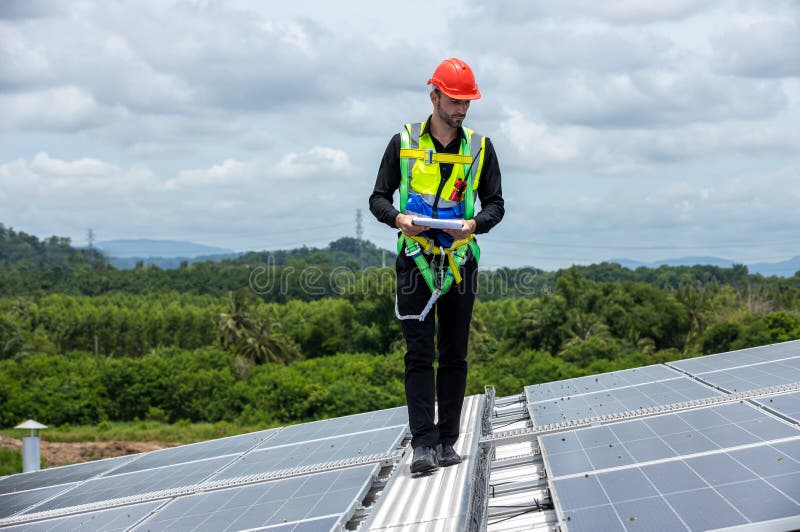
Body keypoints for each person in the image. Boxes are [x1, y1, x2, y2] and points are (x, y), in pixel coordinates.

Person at [369, 58, 504, 474]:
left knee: (454, 354)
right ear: (434, 97)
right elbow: (377, 198)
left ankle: (448, 441)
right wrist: (398, 218)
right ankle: (423, 445)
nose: (461, 109)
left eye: (467, 102)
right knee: (419, 354)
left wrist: (473, 224)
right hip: (415, 262)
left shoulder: (480, 148)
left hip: (460, 262)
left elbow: (496, 206)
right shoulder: (403, 142)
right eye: (454, 100)